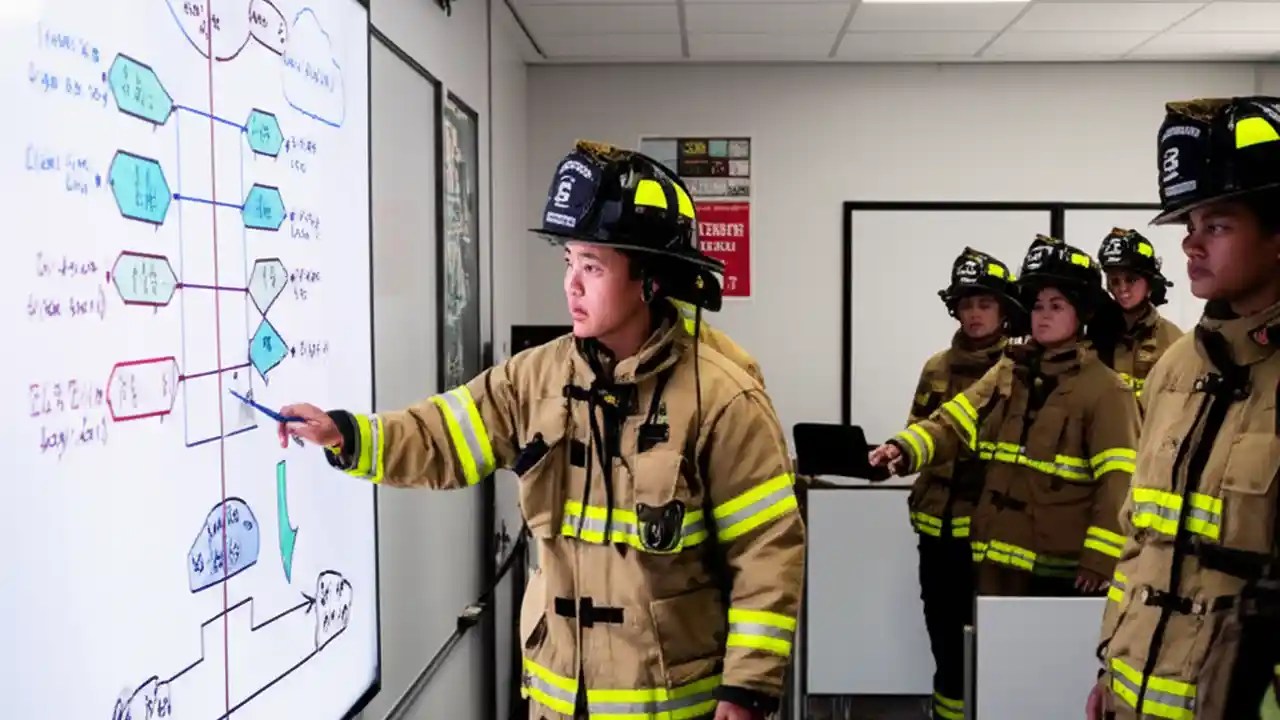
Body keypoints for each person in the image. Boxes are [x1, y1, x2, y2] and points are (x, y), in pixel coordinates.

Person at [277, 140, 805, 720]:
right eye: (569, 262)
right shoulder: (536, 378)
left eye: (593, 267)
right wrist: (348, 437)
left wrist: (747, 691)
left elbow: (766, 552)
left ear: (651, 281)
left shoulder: (723, 398)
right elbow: (440, 437)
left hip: (672, 706)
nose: (571, 285)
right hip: (556, 700)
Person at [1087, 96, 1280, 720]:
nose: (1193, 246)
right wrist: (1108, 671)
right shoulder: (1177, 369)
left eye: (1217, 226)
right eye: (1189, 227)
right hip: (1133, 694)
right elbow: (1140, 538)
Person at [869, 235, 1140, 598]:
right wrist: (902, 449)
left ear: (1082, 314)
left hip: (1064, 573)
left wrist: (1101, 558)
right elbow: (954, 422)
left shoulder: (1108, 391)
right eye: (1038, 305)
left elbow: (1119, 483)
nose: (1043, 316)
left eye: (1056, 306)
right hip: (997, 565)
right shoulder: (1009, 371)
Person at [906, 247, 1024, 720]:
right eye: (966, 304)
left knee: (997, 642)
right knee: (944, 643)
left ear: (1003, 311)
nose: (974, 314)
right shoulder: (937, 366)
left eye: (985, 304)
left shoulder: (1019, 369)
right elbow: (920, 428)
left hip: (992, 534)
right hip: (935, 529)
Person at [1089, 226, 1184, 401]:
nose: (1122, 289)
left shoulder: (1172, 339)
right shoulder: (1094, 333)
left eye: (1131, 280)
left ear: (1149, 283)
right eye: (1115, 281)